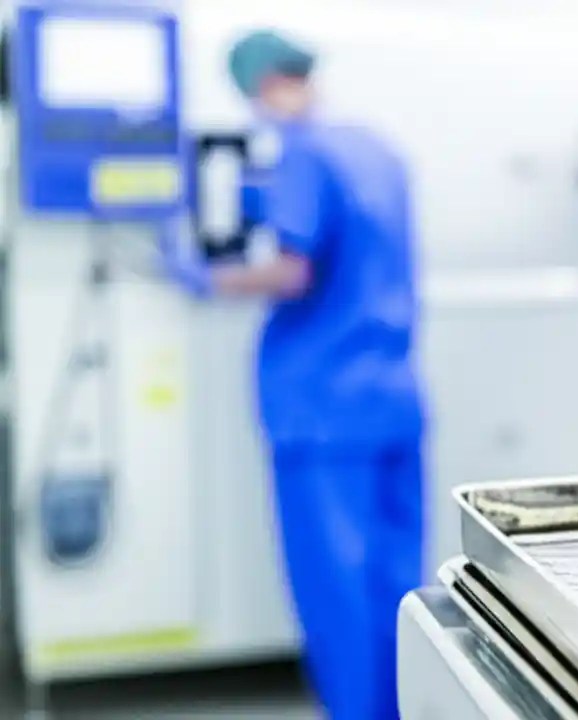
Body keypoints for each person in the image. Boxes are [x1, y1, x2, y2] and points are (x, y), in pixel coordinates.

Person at [159, 30, 425, 720]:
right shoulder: (378, 149)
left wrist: (203, 276)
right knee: (395, 592)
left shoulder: (302, 155)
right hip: (393, 400)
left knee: (336, 599)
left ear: (262, 84)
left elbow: (290, 267)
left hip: (322, 412)